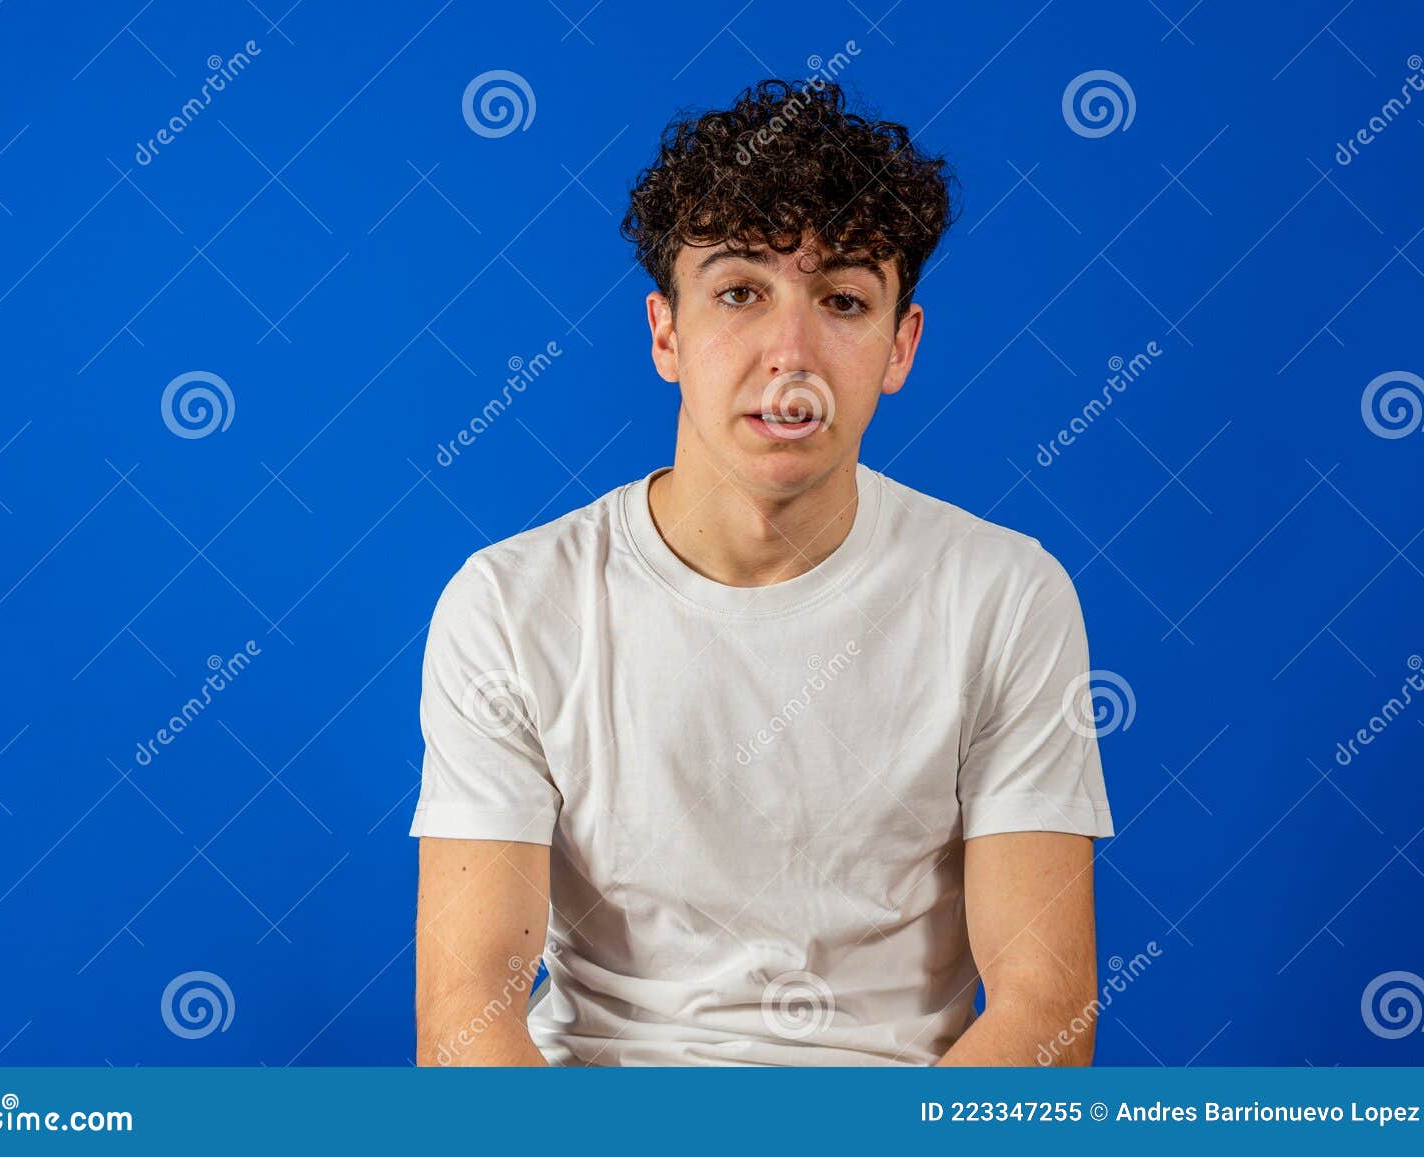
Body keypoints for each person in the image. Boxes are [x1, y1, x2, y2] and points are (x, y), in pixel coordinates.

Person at [410, 78, 1115, 1066]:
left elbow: (1045, 1009)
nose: (790, 355)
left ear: (899, 344)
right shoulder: (511, 603)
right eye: (740, 291)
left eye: (842, 300)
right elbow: (465, 1018)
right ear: (666, 332)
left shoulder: (1002, 593)